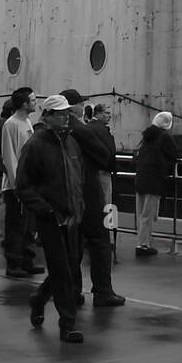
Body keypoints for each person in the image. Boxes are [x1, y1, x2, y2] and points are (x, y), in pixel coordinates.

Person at [16, 95, 85, 342]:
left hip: (72, 216)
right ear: (47, 116)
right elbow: (23, 185)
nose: (66, 117)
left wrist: (80, 208)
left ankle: (40, 298)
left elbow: (78, 178)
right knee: (62, 270)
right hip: (51, 217)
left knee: (69, 265)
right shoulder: (36, 145)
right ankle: (67, 324)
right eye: (60, 114)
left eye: (67, 113)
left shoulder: (71, 143)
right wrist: (45, 210)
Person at [59, 89, 124, 307]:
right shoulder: (81, 129)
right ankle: (103, 291)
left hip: (65, 192)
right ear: (72, 107)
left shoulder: (55, 130)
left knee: (72, 245)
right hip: (87, 190)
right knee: (99, 240)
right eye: (81, 103)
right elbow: (105, 156)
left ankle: (73, 291)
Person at [0, 87, 40, 278]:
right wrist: (17, 183)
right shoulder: (11, 124)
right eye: (32, 100)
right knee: (15, 225)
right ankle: (13, 262)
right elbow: (9, 155)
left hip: (29, 182)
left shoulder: (27, 122)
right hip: (17, 184)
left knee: (28, 224)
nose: (35, 102)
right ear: (24, 104)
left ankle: (26, 259)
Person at [133, 111, 178, 256]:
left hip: (141, 177)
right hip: (155, 179)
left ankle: (142, 242)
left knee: (142, 214)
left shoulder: (147, 136)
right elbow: (173, 155)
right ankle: (143, 245)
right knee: (148, 213)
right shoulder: (165, 137)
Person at [87, 103, 117, 209]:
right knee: (106, 203)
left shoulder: (88, 127)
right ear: (98, 113)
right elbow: (110, 150)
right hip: (103, 171)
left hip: (91, 171)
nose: (109, 116)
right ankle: (107, 225)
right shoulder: (102, 129)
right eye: (106, 113)